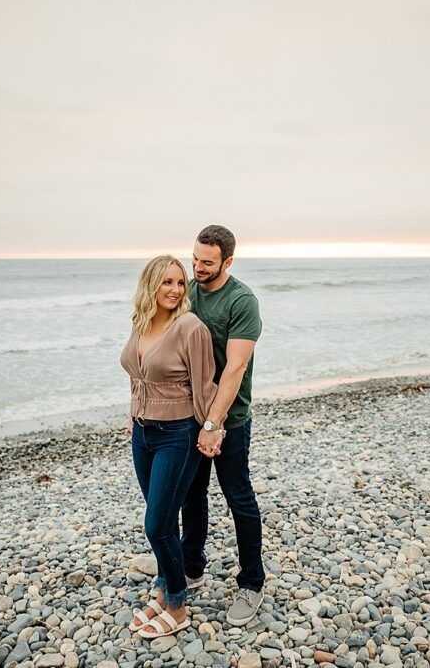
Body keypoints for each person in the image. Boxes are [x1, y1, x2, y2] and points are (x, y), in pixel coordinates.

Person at [121, 255, 217, 639]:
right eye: (167, 283)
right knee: (162, 517)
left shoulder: (190, 327)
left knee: (157, 524)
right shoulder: (140, 322)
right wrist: (132, 413)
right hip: (142, 434)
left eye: (180, 282)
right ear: (151, 286)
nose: (176, 290)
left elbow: (204, 384)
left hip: (178, 433)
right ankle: (164, 582)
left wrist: (211, 430)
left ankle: (177, 603)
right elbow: (136, 374)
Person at [179, 224, 265, 627]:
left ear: (227, 261)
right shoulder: (188, 289)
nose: (197, 267)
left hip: (229, 417)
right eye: (195, 258)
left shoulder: (241, 301)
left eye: (207, 262)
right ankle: (191, 567)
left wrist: (215, 423)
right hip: (191, 414)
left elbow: (235, 368)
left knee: (238, 497)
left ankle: (252, 582)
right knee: (191, 495)